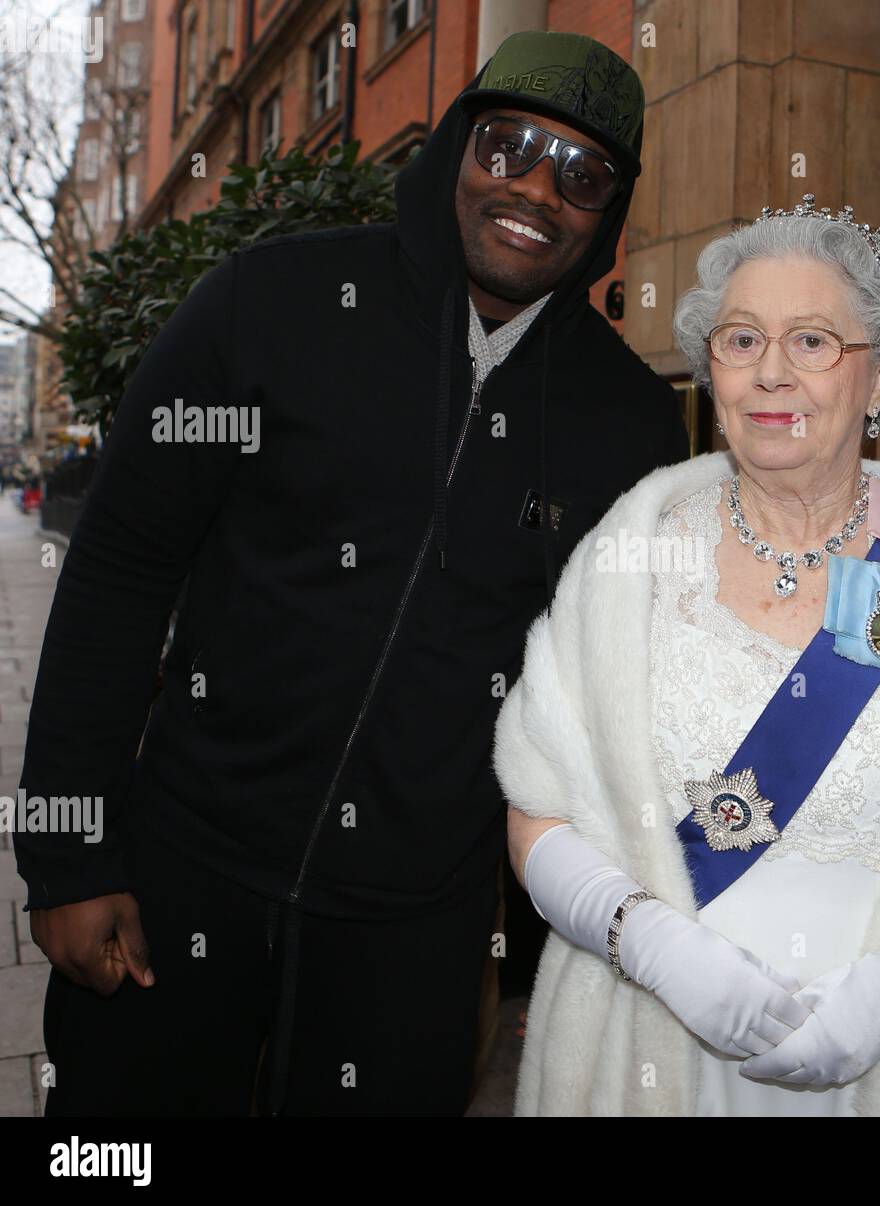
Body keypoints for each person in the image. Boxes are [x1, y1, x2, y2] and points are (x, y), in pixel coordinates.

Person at [15, 31, 687, 1116]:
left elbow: (604, 698)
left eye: (581, 173)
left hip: (412, 937)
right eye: (509, 145)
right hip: (183, 870)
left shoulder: (633, 424)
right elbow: (119, 573)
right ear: (460, 146)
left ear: (607, 212)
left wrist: (538, 972)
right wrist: (68, 859)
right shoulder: (268, 303)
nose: (534, 190)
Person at [495, 194, 880, 1115]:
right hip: (655, 1050)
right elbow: (537, 809)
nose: (771, 374)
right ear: (714, 371)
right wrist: (653, 946)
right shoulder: (633, 551)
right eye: (741, 341)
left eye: (814, 342)